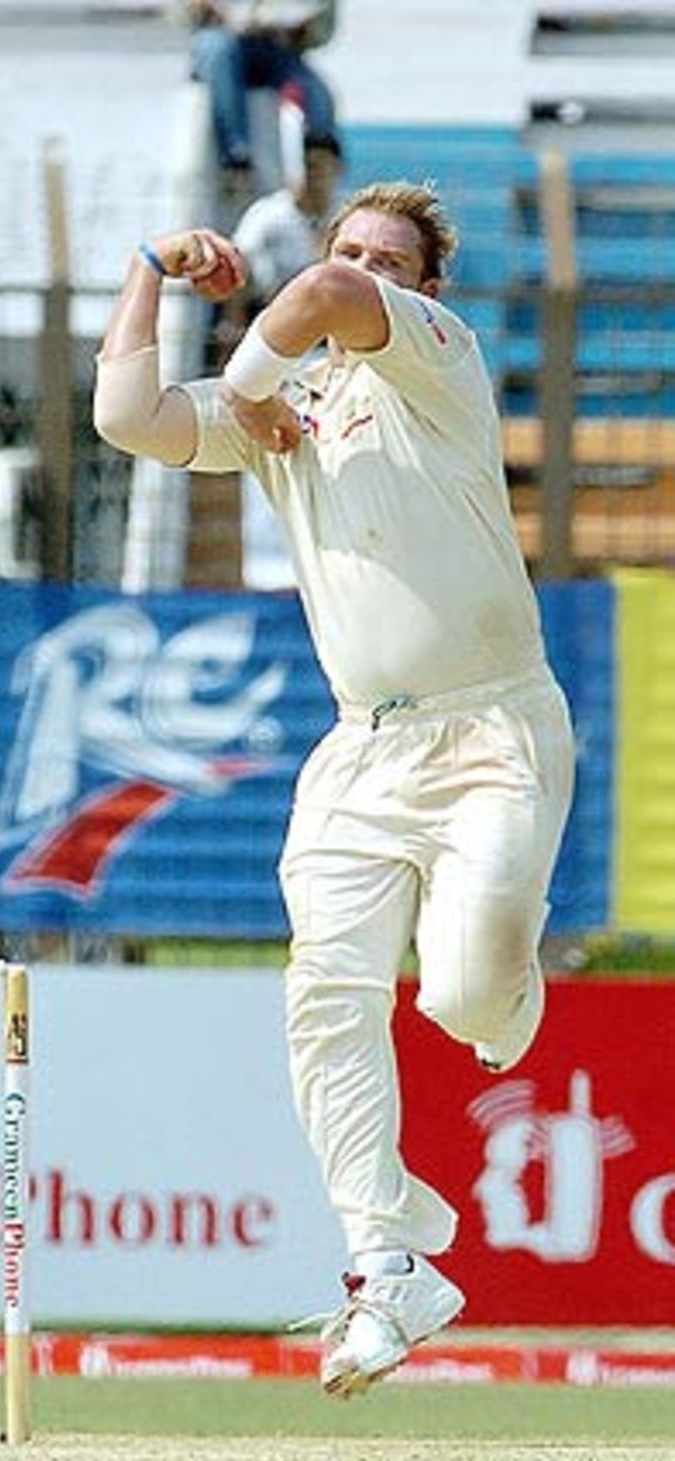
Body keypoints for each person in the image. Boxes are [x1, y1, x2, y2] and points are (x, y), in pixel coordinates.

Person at [95, 183, 575, 1396]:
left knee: (465, 1001)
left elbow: (324, 297)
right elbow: (126, 416)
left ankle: (505, 972)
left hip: (494, 731)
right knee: (328, 994)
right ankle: (387, 1266)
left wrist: (255, 376)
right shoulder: (290, 398)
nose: (366, 266)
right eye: (353, 244)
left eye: (392, 259)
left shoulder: (438, 363)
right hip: (363, 750)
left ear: (427, 290)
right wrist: (152, 267)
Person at [182, 0, 342, 188]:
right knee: (221, 53)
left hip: (272, 45)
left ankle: (320, 152)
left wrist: (299, 29)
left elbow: (322, 27)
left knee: (316, 90)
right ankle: (236, 155)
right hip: (219, 38)